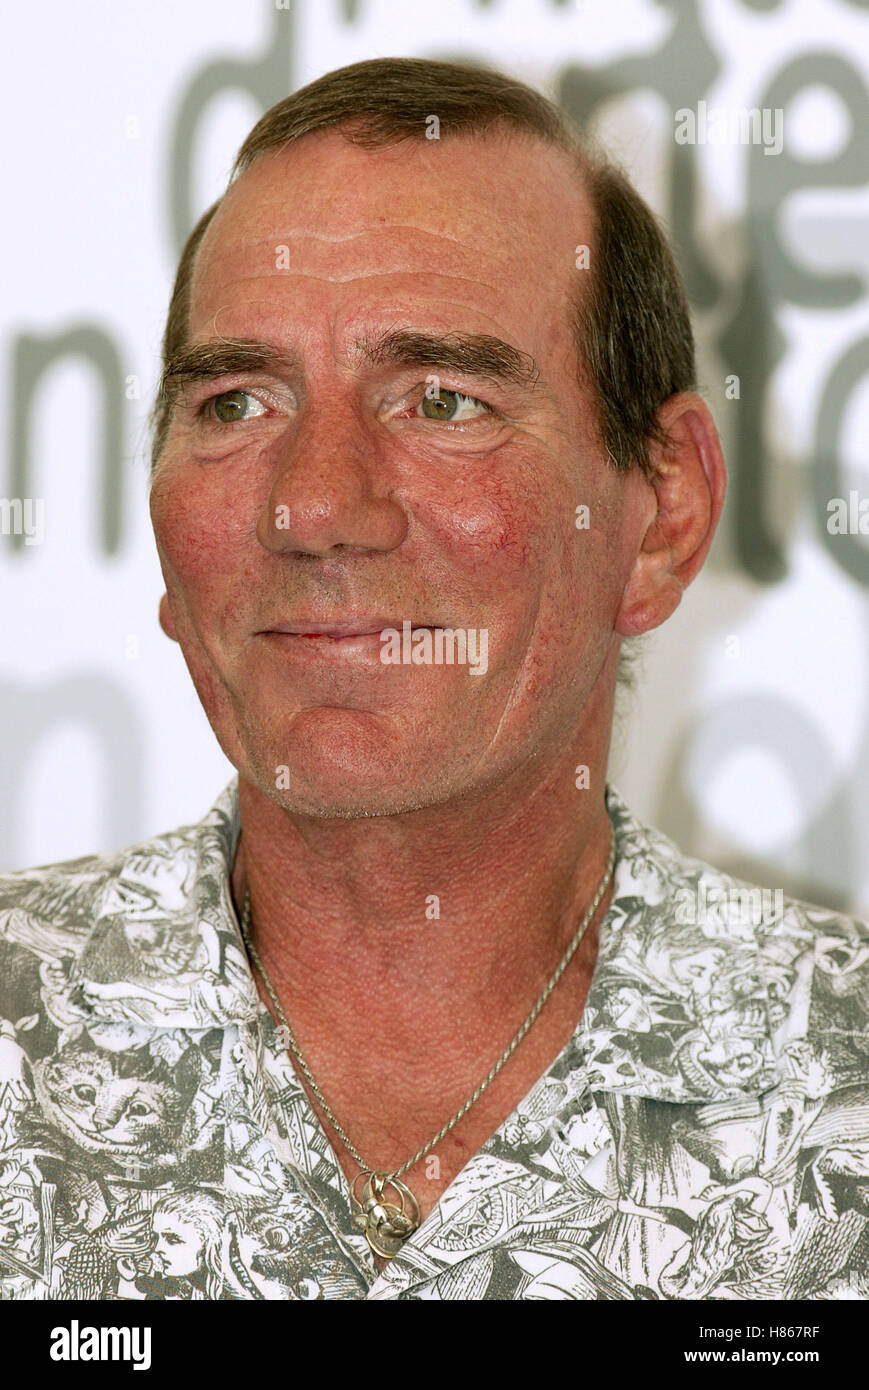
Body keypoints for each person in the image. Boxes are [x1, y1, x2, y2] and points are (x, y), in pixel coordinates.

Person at [0, 56, 866, 1303]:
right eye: (236, 400)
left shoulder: (837, 1093)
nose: (312, 503)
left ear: (664, 512)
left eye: (442, 399)